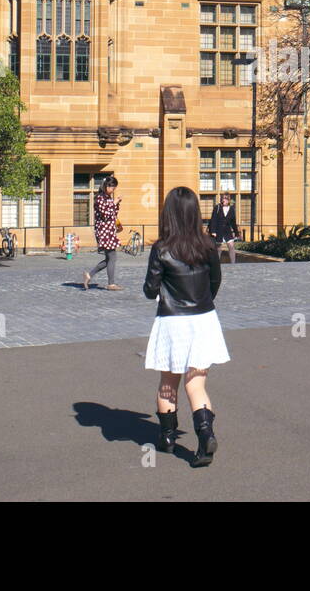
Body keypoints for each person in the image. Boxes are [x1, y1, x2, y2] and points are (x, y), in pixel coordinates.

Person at [143, 186, 229, 467]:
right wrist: (202, 300)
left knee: (168, 382)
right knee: (196, 383)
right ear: (195, 213)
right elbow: (215, 282)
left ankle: (167, 437)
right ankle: (205, 436)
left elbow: (150, 289)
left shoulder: (162, 248)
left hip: (172, 320)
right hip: (204, 320)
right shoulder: (207, 246)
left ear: (169, 213)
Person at [84, 177, 122, 290]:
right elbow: (105, 214)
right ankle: (111, 283)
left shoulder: (107, 198)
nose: (113, 189)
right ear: (106, 186)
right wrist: (114, 203)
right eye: (112, 187)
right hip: (104, 231)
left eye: (114, 187)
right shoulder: (100, 198)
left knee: (110, 258)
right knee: (112, 257)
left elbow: (113, 213)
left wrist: (116, 204)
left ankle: (89, 275)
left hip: (109, 230)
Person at [208, 192, 240, 263]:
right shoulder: (217, 207)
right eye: (222, 198)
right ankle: (217, 264)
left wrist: (236, 233)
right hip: (218, 231)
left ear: (228, 200)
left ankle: (233, 264)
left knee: (231, 247)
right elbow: (213, 220)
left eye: (225, 199)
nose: (223, 200)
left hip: (227, 232)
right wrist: (213, 231)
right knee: (219, 249)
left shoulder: (231, 209)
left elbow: (233, 222)